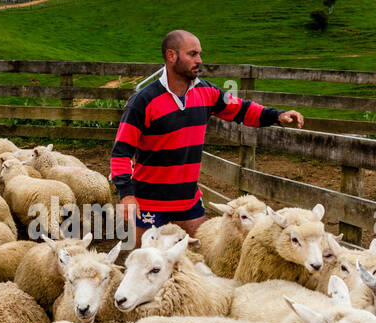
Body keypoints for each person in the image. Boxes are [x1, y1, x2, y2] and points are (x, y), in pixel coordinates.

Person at [110, 30, 303, 245]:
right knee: (148, 266)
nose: (199, 60)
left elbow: (241, 109)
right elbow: (121, 153)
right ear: (171, 56)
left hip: (188, 202)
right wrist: (126, 195)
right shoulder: (143, 101)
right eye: (192, 54)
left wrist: (277, 115)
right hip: (149, 204)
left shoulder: (207, 93)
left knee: (201, 261)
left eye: (200, 54)